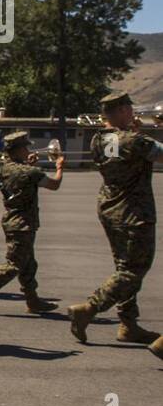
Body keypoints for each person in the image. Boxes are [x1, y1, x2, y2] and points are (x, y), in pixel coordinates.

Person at [68, 92, 163, 356]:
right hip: (134, 211)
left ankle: (128, 323)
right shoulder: (135, 141)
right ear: (121, 110)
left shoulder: (100, 139)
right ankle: (89, 309)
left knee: (124, 267)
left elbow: (122, 152)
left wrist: (137, 133)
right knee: (134, 269)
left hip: (110, 207)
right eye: (130, 109)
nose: (133, 113)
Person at [0, 131, 63, 314]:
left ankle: (32, 300)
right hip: (23, 223)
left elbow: (20, 176)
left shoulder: (3, 168)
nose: (28, 150)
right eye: (26, 147)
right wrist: (59, 167)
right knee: (14, 264)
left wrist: (28, 164)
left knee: (28, 264)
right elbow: (54, 185)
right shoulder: (31, 172)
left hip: (12, 220)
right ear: (19, 150)